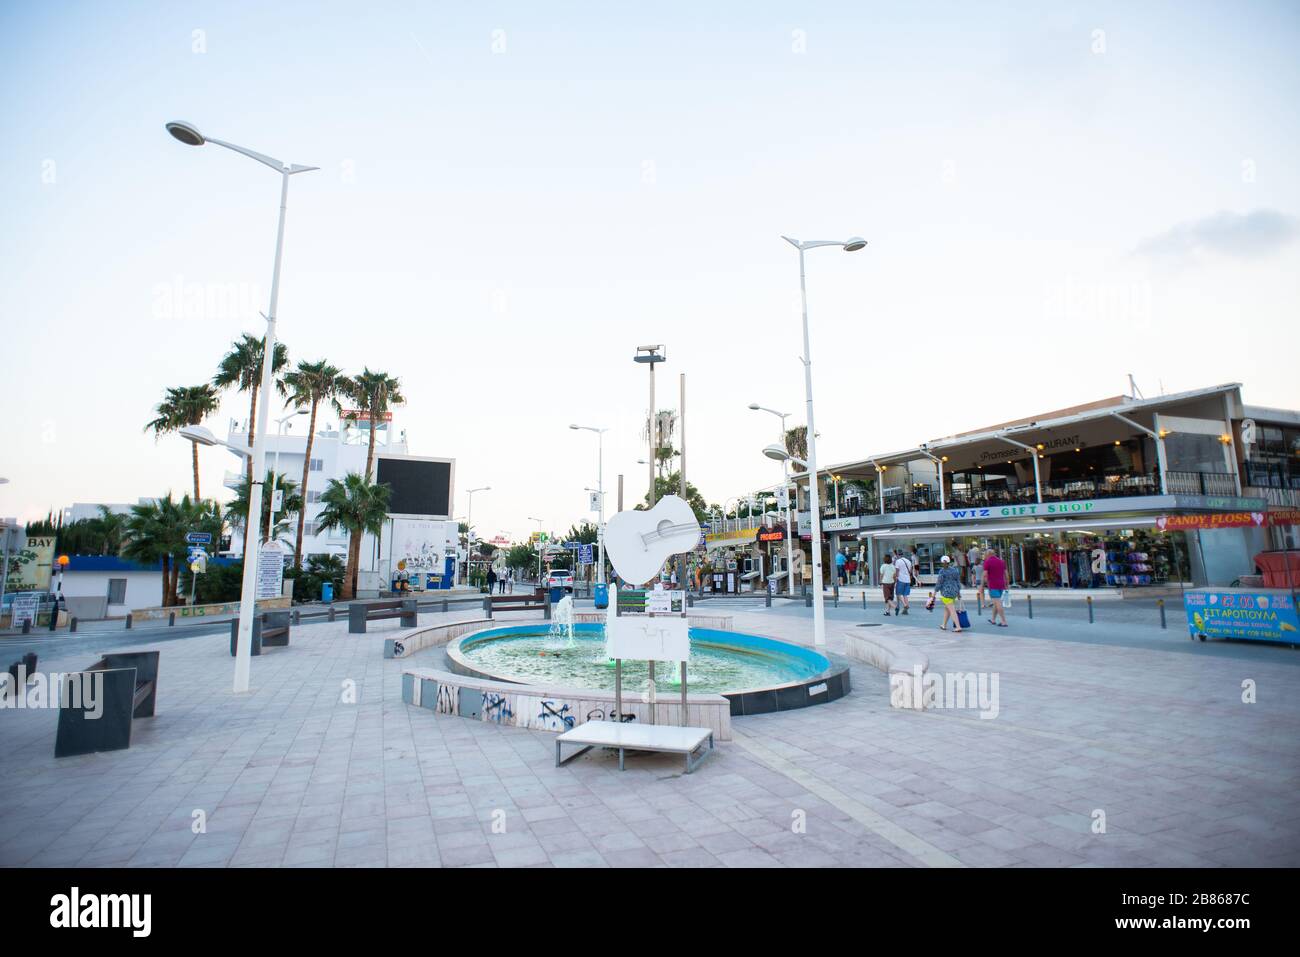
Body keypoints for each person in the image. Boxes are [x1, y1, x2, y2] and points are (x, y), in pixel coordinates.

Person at [936, 555, 963, 632]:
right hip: (954, 592)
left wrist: (934, 592)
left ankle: (958, 626)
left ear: (942, 563)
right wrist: (958, 593)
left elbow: (939, 583)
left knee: (951, 610)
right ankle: (943, 624)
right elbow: (958, 582)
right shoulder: (955, 570)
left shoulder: (941, 571)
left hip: (946, 593)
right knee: (947, 608)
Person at [985, 546, 1009, 627]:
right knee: (996, 603)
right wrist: (1007, 584)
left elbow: (985, 575)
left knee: (998, 603)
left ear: (988, 555)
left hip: (993, 585)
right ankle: (993, 619)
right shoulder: (1002, 561)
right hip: (1001, 584)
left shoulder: (987, 562)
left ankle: (1003, 621)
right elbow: (1006, 574)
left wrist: (985, 584)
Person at [893, 550, 916, 615]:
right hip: (908, 580)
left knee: (898, 594)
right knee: (905, 595)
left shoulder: (898, 561)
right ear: (903, 554)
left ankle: (905, 605)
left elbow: (897, 571)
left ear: (898, 555)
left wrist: (896, 578)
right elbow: (910, 571)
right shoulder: (908, 561)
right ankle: (906, 610)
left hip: (901, 579)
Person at [879, 550, 897, 616]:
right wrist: (895, 582)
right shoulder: (893, 566)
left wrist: (880, 582)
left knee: (887, 598)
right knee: (890, 598)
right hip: (892, 583)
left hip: (885, 583)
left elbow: (881, 575)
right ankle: (887, 611)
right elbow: (894, 576)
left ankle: (895, 607)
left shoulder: (883, 566)